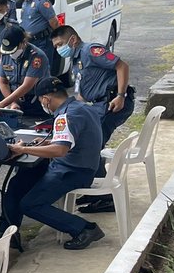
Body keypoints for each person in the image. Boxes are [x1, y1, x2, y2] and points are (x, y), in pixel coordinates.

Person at [2, 77, 106, 250]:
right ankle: (9, 234)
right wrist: (49, 141)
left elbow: (60, 151)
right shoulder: (81, 108)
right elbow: (73, 139)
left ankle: (84, 229)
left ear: (46, 99)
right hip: (80, 165)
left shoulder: (66, 116)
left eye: (43, 101)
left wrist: (23, 150)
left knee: (30, 204)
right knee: (18, 182)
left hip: (72, 171)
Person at [53, 25, 133, 193]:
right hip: (98, 105)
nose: (59, 49)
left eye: (60, 44)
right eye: (56, 47)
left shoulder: (91, 50)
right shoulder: (76, 60)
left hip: (113, 103)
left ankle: (104, 195)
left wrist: (120, 95)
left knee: (92, 144)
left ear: (72, 39)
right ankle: (94, 188)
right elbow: (81, 94)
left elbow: (122, 66)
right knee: (89, 141)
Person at [0, 24, 51, 116]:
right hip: (15, 102)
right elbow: (3, 82)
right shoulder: (5, 54)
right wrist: (12, 103)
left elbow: (27, 85)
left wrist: (3, 104)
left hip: (36, 102)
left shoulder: (37, 56)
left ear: (23, 42)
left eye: (13, 51)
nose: (10, 54)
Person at [17, 0, 61, 72]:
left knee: (42, 68)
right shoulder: (25, 3)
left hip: (42, 41)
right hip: (28, 41)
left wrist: (58, 39)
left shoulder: (41, 2)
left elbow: (54, 23)